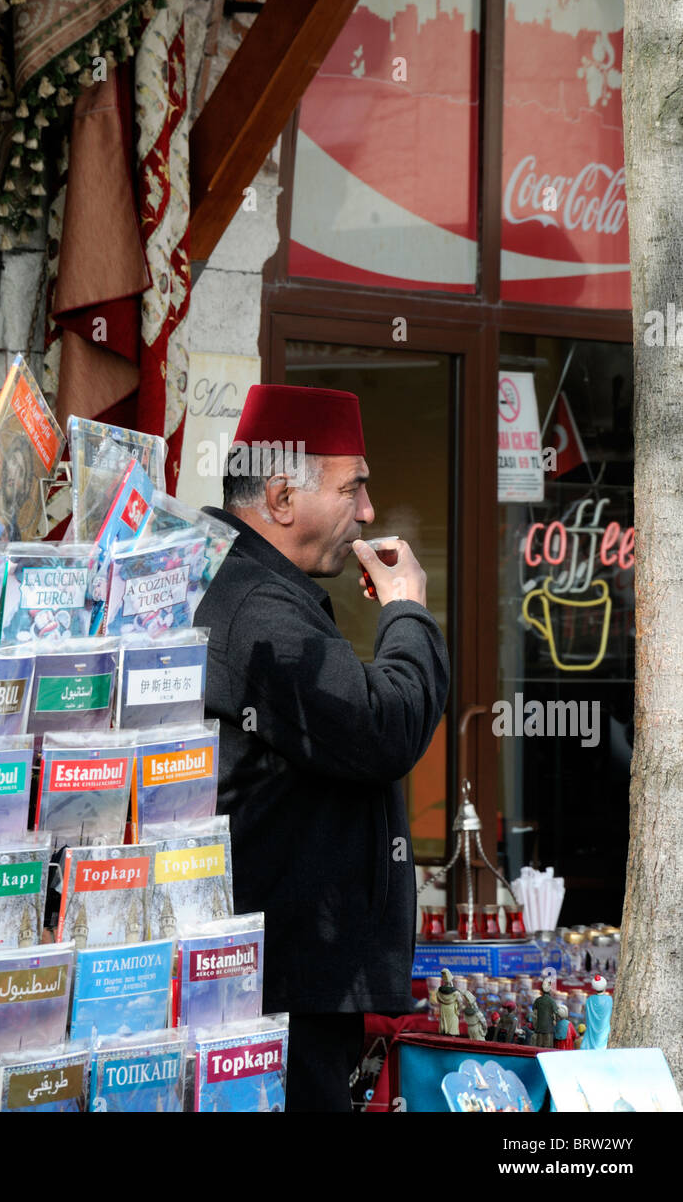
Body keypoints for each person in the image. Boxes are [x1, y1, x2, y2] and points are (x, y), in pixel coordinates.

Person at [194, 384, 450, 1112]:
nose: (368, 512)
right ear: (280, 498)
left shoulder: (244, 583)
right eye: (353, 488)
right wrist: (407, 611)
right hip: (278, 995)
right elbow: (381, 728)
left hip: (282, 982)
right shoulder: (253, 605)